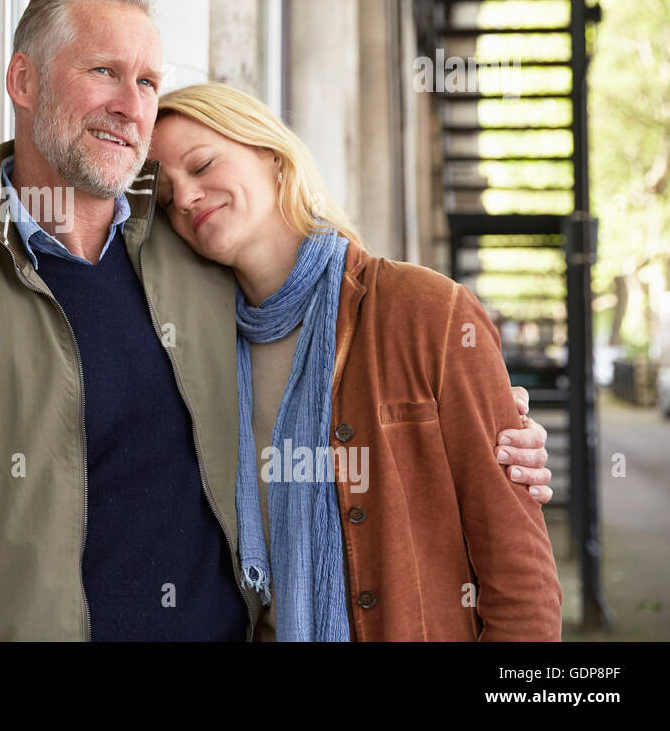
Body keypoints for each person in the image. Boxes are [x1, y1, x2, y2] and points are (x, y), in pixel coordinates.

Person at [0, 0, 552, 642]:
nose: (131, 104)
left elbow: (352, 335)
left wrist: (489, 412)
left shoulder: (191, 258)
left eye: (146, 81)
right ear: (23, 80)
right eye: (103, 72)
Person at [149, 82, 562, 640]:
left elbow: (521, 581)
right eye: (168, 198)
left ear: (272, 155)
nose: (188, 197)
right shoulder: (200, 354)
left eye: (201, 165)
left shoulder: (425, 313)